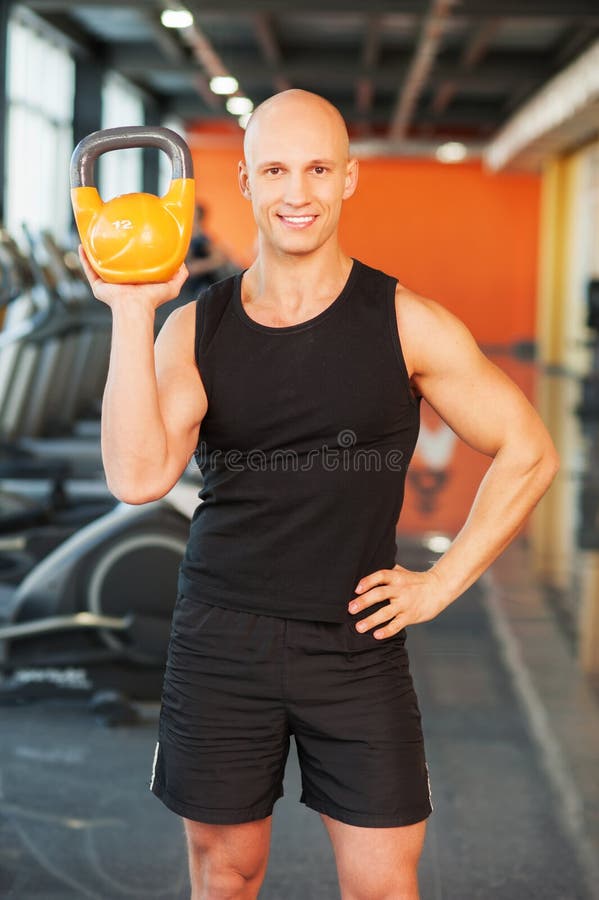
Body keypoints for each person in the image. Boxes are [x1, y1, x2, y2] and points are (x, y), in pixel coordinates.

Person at [78, 89, 559, 900]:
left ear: (347, 178)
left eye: (314, 169)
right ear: (245, 182)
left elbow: (529, 451)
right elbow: (136, 476)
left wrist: (442, 582)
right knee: (226, 874)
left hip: (356, 646)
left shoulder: (406, 322)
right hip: (221, 640)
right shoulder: (196, 327)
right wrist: (131, 311)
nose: (295, 192)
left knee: (380, 881)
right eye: (274, 170)